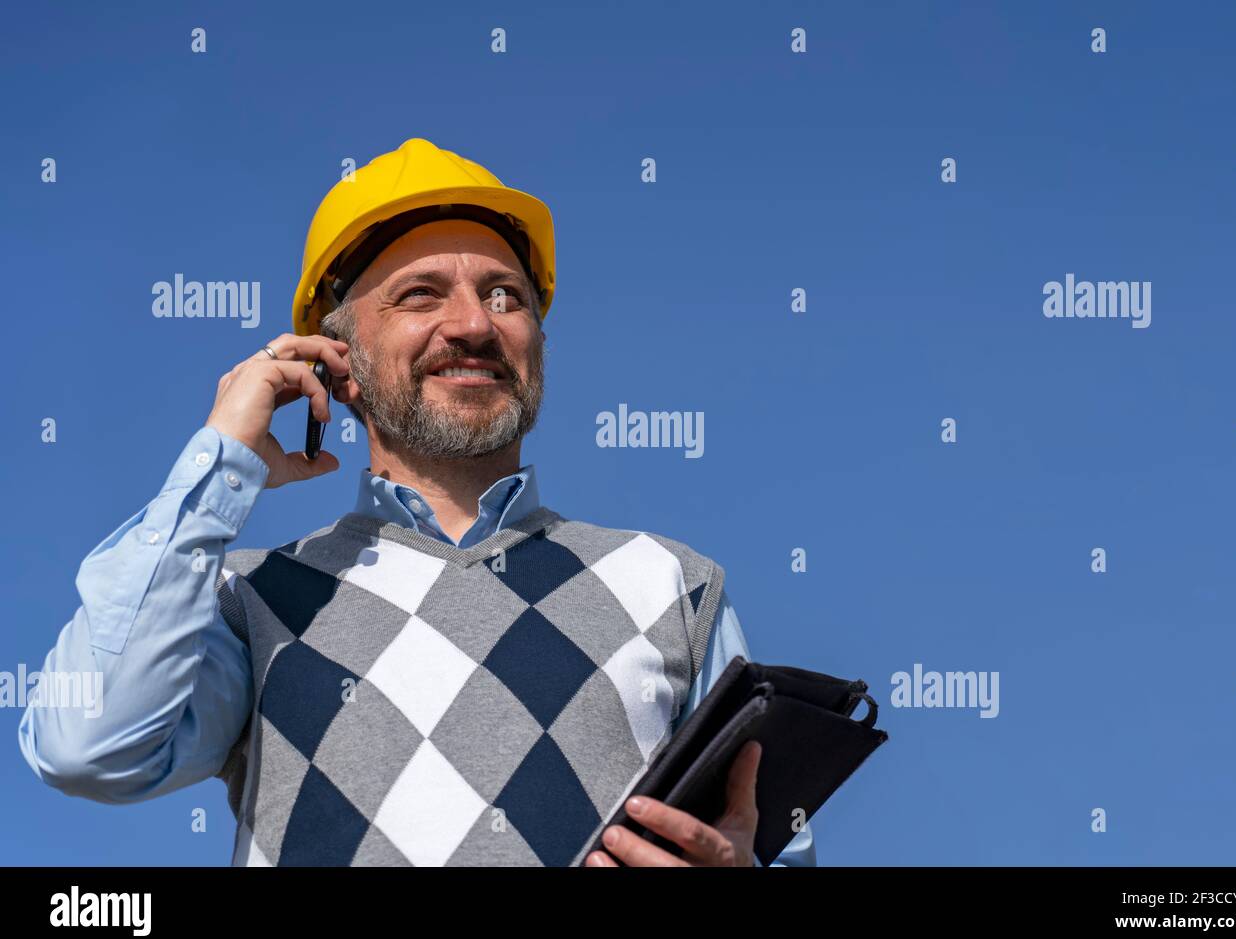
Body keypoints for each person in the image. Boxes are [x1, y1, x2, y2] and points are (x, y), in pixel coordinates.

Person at [18, 138, 815, 867]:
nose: (473, 324)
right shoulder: (247, 602)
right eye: (420, 295)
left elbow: (772, 848)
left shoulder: (673, 585)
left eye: (505, 296)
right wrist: (219, 468)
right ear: (340, 365)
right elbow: (87, 746)